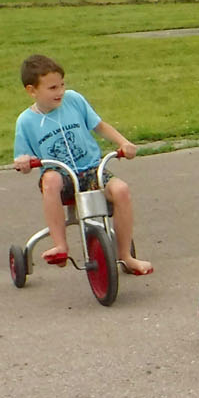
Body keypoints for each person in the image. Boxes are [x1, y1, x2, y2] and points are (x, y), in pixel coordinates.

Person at [12, 54, 154, 275]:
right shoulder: (26, 121)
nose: (59, 92)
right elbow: (22, 158)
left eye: (61, 85)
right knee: (50, 180)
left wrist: (123, 143)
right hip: (60, 174)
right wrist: (23, 163)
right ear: (32, 91)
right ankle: (60, 246)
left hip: (91, 170)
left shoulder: (74, 100)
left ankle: (125, 255)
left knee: (121, 190)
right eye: (51, 88)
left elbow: (99, 125)